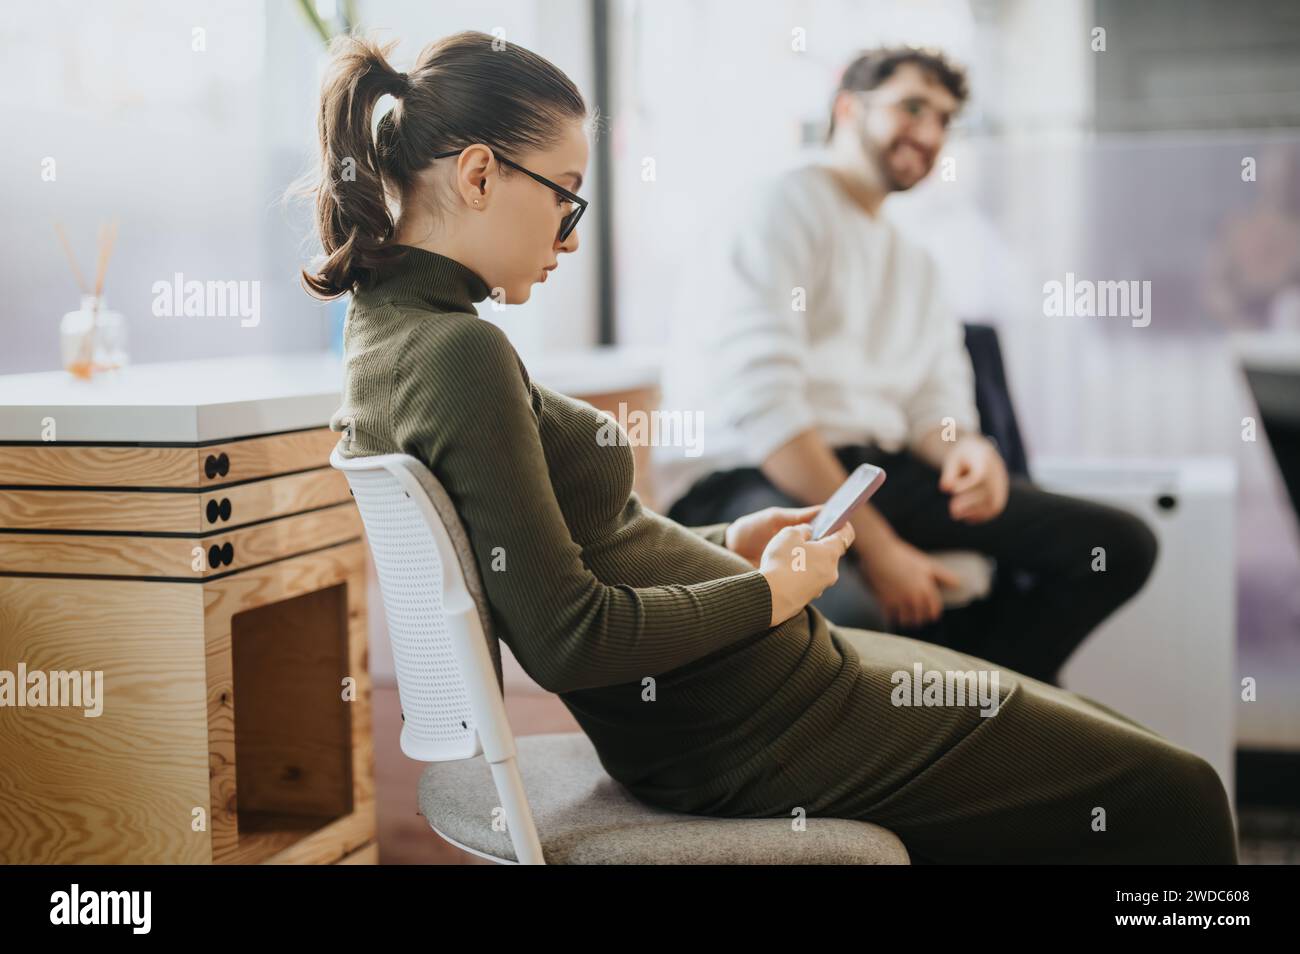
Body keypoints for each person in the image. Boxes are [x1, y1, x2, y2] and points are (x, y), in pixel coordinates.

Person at [309, 31, 1236, 863]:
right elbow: (571, 637)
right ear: (478, 176)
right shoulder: (458, 352)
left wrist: (734, 549)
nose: (570, 236)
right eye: (565, 199)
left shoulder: (394, 334)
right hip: (756, 720)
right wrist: (767, 595)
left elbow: (585, 559)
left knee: (1104, 739)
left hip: (760, 690)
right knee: (1178, 793)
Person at [656, 47, 1158, 688]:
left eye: (945, 119)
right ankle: (944, 706)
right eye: (911, 107)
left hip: (869, 474)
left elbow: (936, 402)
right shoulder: (779, 209)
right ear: (848, 107)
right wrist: (882, 550)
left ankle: (974, 704)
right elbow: (769, 411)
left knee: (1117, 548)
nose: (928, 133)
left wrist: (965, 449)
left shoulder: (915, 261)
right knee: (850, 617)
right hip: (753, 474)